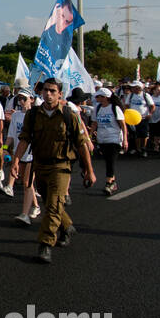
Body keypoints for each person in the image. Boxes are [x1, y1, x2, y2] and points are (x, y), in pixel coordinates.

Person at [19, 78, 95, 263]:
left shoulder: (69, 114)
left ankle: (45, 244)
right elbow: (25, 138)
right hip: (40, 165)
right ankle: (67, 226)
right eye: (45, 90)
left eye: (53, 91)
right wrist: (15, 161)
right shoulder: (34, 114)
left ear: (60, 93)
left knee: (53, 206)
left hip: (61, 166)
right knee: (50, 203)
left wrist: (89, 170)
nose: (48, 94)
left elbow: (82, 144)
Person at [5, 90, 42, 224]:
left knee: (27, 182)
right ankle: (36, 206)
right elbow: (11, 134)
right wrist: (4, 148)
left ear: (31, 99)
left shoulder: (37, 115)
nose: (21, 101)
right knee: (24, 182)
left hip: (32, 153)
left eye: (24, 99)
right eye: (19, 99)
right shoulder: (16, 116)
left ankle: (24, 214)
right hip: (19, 153)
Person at [90, 87, 127, 196]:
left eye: (99, 96)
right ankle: (113, 182)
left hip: (114, 139)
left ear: (105, 97)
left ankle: (108, 183)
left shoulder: (115, 108)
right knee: (107, 160)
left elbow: (123, 125)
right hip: (102, 139)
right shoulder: (97, 108)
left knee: (111, 160)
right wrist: (89, 137)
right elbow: (94, 124)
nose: (97, 98)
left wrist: (125, 140)